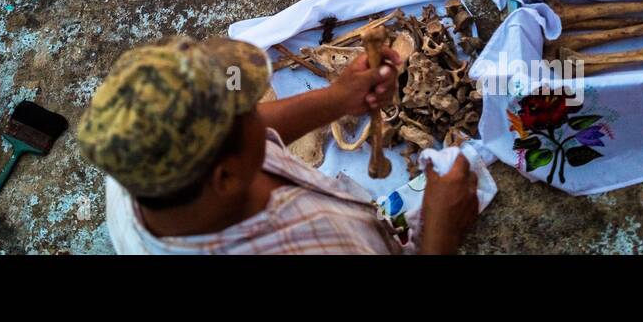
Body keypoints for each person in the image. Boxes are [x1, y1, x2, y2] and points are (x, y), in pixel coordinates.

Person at [78, 35, 481, 254]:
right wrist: (441, 236)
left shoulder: (139, 162)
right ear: (226, 176)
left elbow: (245, 137)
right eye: (249, 112)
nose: (260, 111)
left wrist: (338, 98)